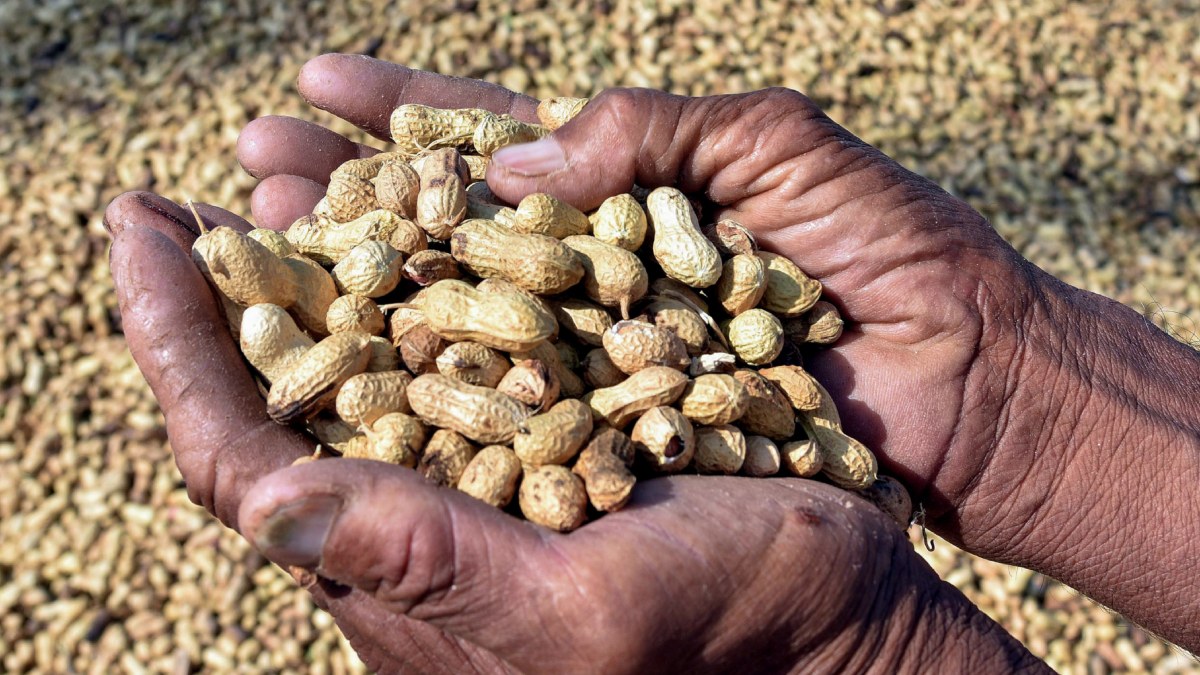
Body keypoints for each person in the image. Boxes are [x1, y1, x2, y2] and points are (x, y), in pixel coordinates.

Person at [103, 53, 1200, 673]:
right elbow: (447, 380)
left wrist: (863, 648)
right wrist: (1014, 380)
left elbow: (630, 333)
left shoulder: (664, 309)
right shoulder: (451, 284)